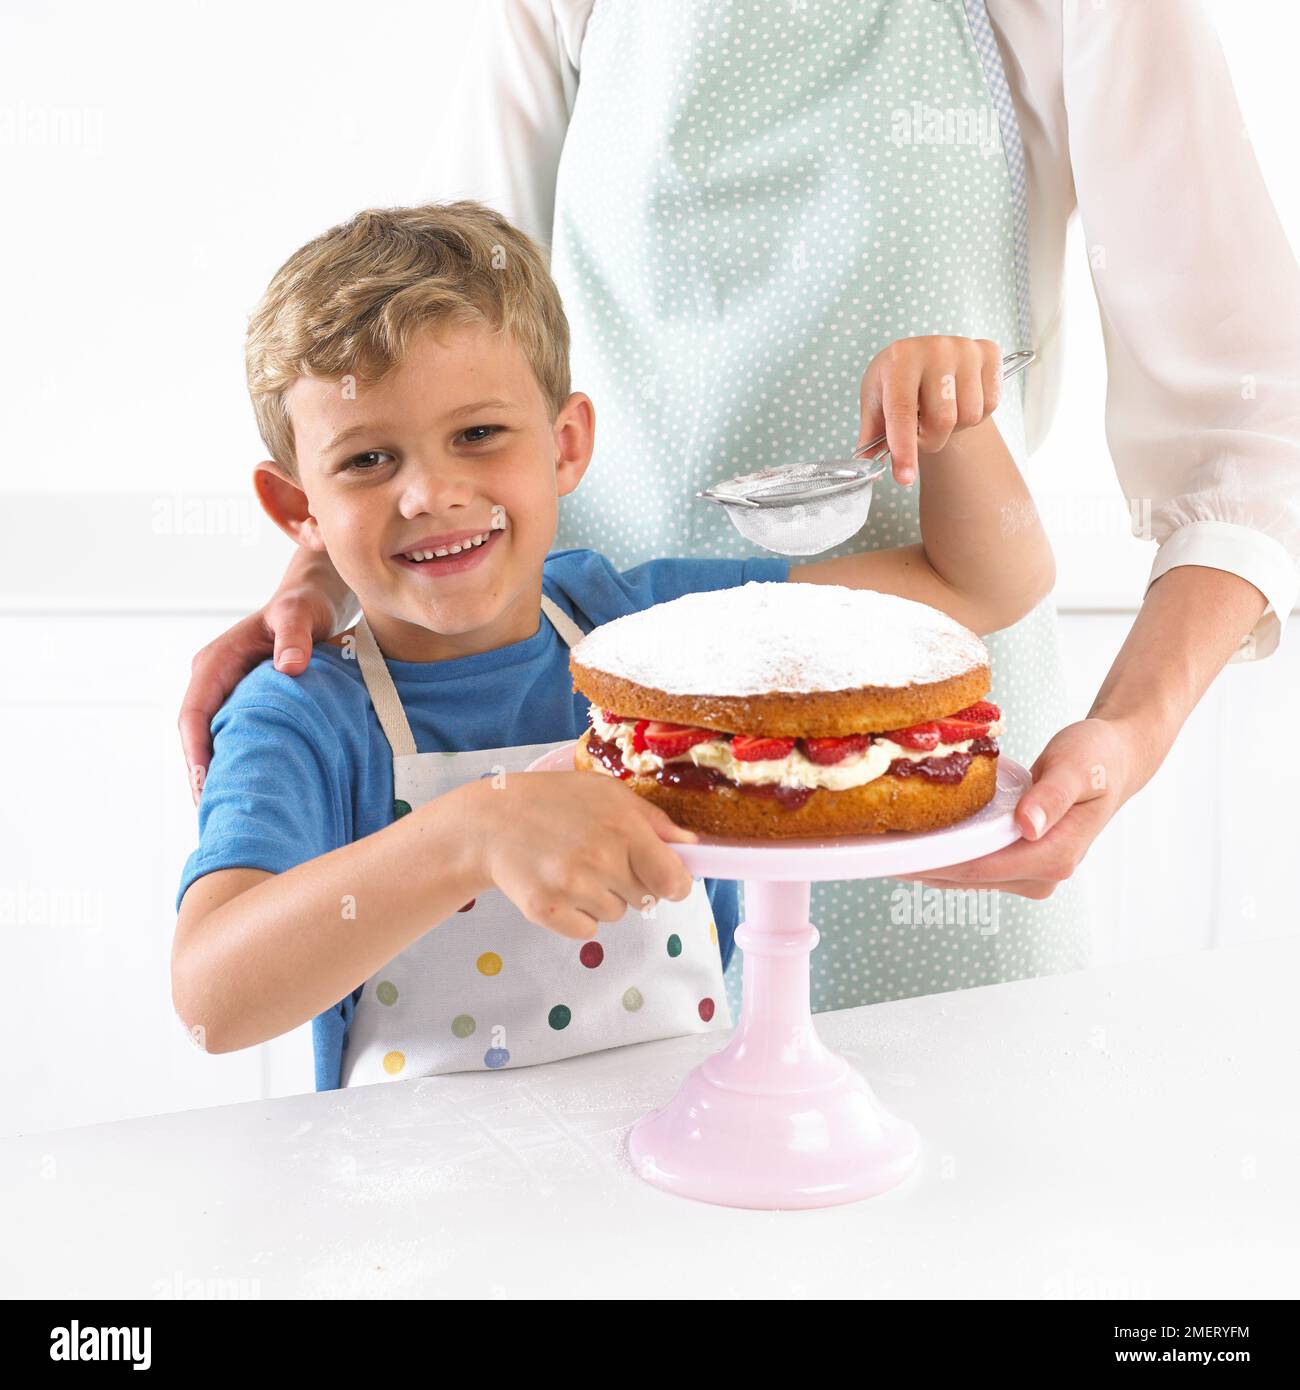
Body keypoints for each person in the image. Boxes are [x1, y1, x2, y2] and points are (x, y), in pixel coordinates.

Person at [180, 1, 1300, 1019]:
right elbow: (447, 329)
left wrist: (1127, 732)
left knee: (951, 1202)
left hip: (928, 781)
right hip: (599, 750)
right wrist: (316, 576)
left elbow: (1243, 437)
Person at [172, 200, 1054, 1088]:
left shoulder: (652, 637)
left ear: (565, 446)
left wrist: (955, 420)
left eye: (477, 435)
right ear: (298, 511)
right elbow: (211, 1002)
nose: (431, 494)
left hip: (683, 1176)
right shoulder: (300, 711)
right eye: (367, 461)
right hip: (430, 1215)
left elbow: (981, 585)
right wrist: (470, 833)